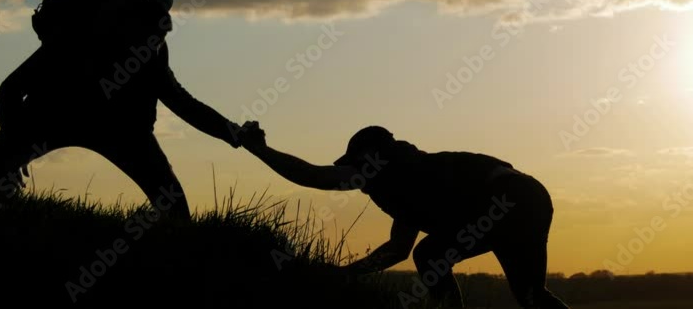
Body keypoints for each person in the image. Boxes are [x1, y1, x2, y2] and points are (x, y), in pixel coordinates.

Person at [0, 0, 244, 220]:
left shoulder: (152, 53)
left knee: (175, 210)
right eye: (146, 34)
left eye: (159, 37)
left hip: (122, 131)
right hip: (58, 114)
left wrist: (234, 133)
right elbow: (10, 89)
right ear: (127, 24)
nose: (151, 44)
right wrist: (14, 146)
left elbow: (185, 105)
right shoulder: (80, 38)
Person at [239, 123, 570, 308]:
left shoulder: (390, 168)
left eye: (356, 166)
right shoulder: (410, 181)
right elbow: (395, 250)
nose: (356, 179)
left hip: (507, 198)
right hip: (530, 197)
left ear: (369, 158)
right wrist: (347, 273)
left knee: (429, 253)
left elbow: (313, 176)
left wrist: (260, 150)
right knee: (531, 296)